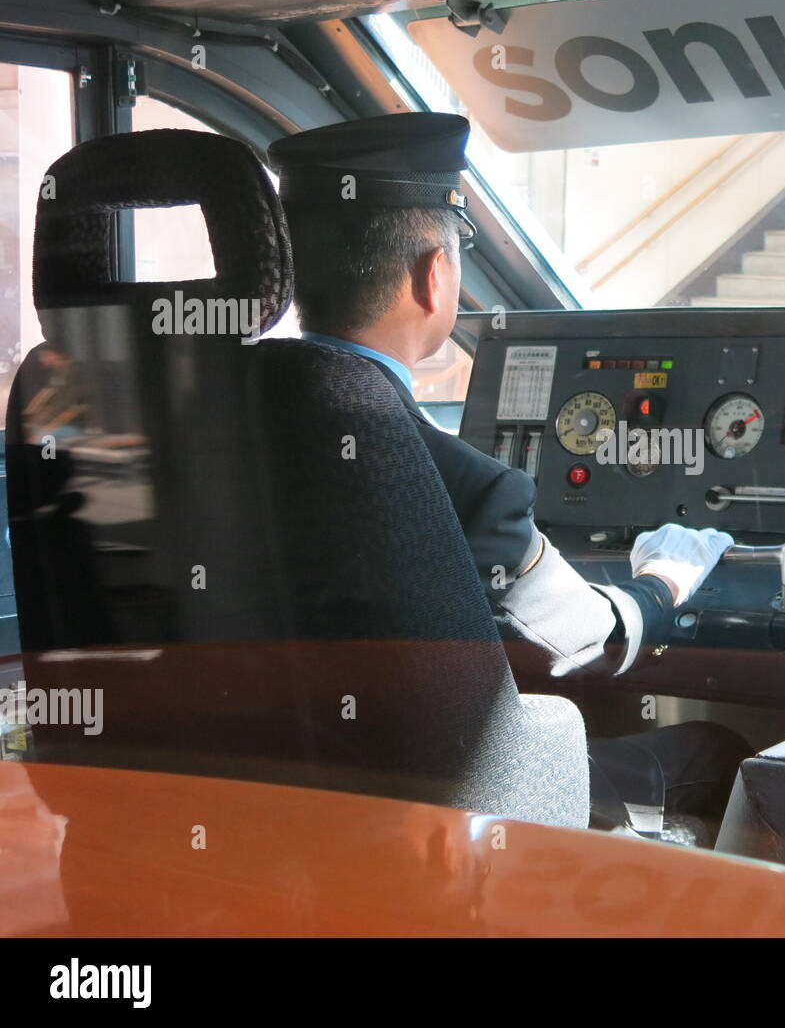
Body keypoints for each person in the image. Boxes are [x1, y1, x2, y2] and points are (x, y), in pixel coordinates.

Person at [267, 113, 748, 839]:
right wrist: (663, 584)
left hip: (267, 802)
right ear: (435, 276)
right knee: (715, 751)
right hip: (439, 824)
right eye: (457, 253)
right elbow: (585, 639)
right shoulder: (459, 482)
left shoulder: (212, 419)